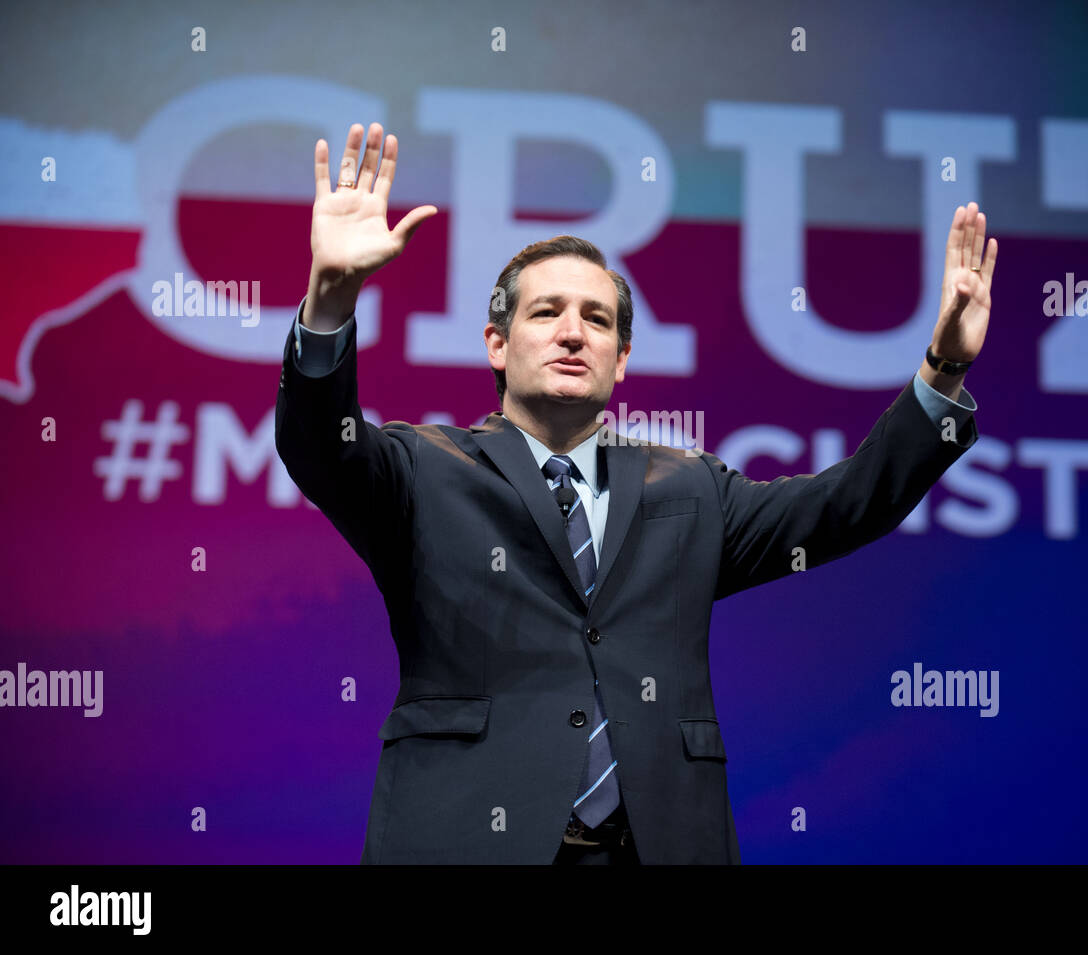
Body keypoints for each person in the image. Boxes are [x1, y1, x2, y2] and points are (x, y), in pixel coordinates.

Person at [275, 122, 996, 865]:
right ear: (497, 343)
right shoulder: (422, 470)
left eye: (597, 319)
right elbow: (317, 445)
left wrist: (942, 369)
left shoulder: (689, 487)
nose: (572, 332)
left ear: (621, 360)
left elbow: (848, 503)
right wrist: (329, 300)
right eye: (546, 312)